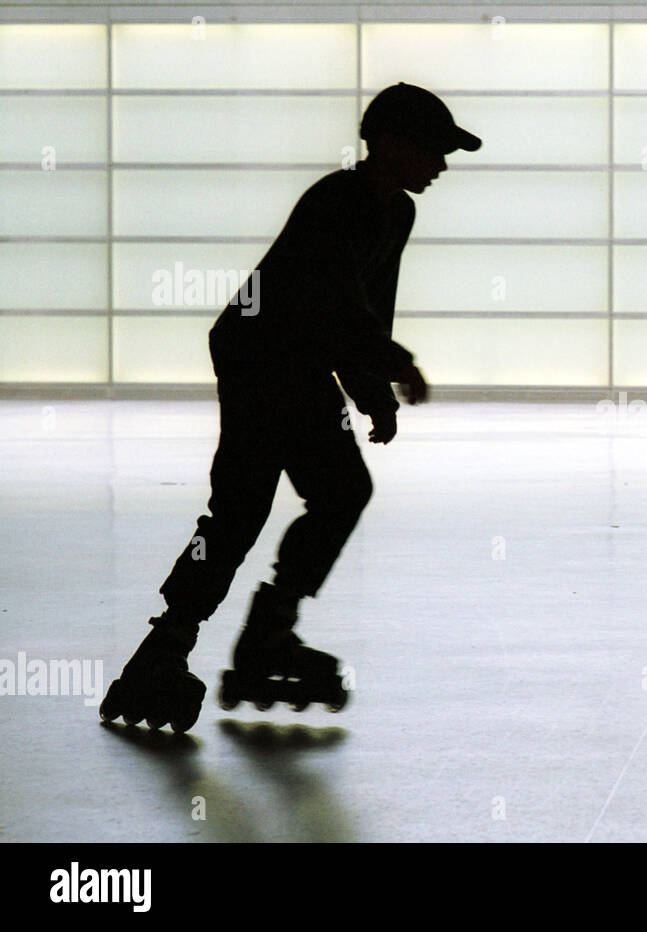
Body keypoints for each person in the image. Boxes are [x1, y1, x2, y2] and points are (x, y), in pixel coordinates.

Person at [100, 83, 481, 732]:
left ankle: (266, 634)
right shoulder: (335, 202)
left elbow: (366, 309)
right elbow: (334, 305)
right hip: (258, 356)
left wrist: (375, 396)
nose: (442, 165)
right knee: (241, 509)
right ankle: (166, 646)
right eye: (434, 151)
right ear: (389, 145)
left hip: (303, 363)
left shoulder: (396, 215)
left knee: (342, 492)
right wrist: (393, 367)